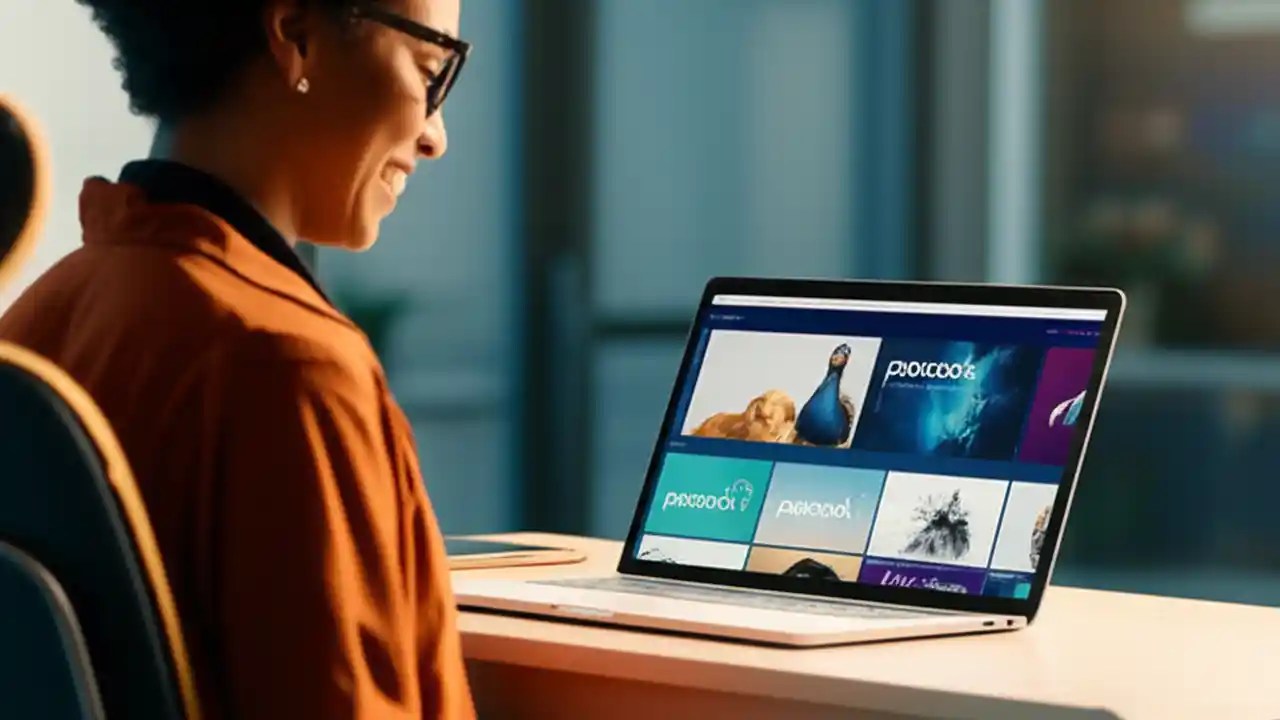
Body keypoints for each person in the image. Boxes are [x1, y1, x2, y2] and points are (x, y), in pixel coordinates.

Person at [0, 1, 476, 718]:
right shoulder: (296, 372)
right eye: (429, 68)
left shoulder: (35, 322)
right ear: (297, 36)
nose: (436, 135)